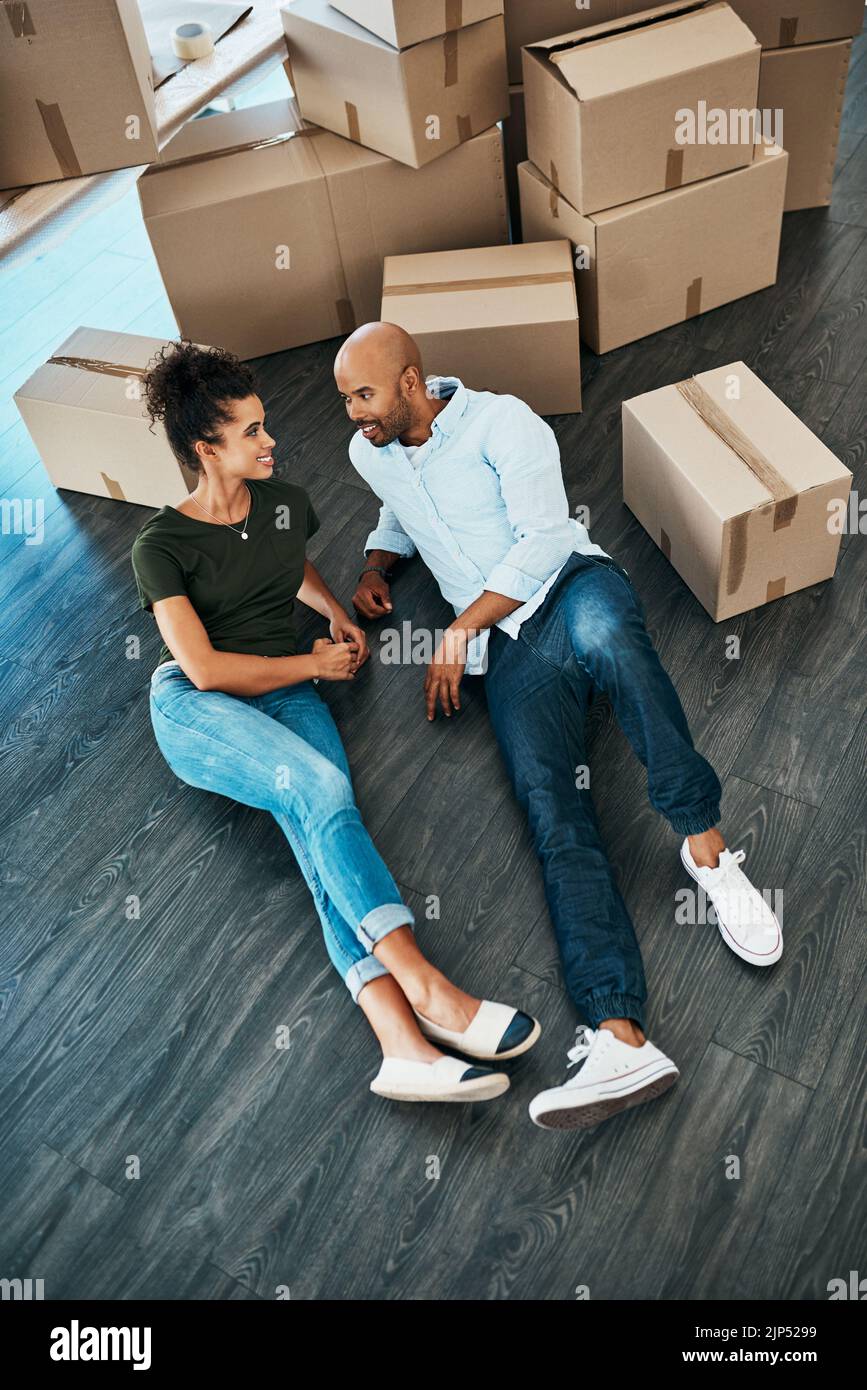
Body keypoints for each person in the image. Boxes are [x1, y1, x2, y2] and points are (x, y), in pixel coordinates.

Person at [334, 321, 784, 1131]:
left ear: (409, 381)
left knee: (611, 639)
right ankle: (620, 1035)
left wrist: (459, 627)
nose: (350, 414)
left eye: (361, 395)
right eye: (343, 400)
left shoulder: (504, 424)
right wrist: (375, 567)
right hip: (510, 652)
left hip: (568, 591)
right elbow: (398, 505)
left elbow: (544, 539)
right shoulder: (373, 449)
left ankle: (705, 850)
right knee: (552, 811)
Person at [130, 340, 541, 1106]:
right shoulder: (162, 546)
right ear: (203, 449)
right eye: (249, 432)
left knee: (321, 827)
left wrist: (332, 615)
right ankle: (428, 988)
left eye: (264, 424)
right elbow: (207, 670)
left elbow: (292, 563)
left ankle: (403, 1052)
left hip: (287, 691)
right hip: (199, 709)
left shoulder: (280, 500)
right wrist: (313, 668)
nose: (269, 440)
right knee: (320, 789)